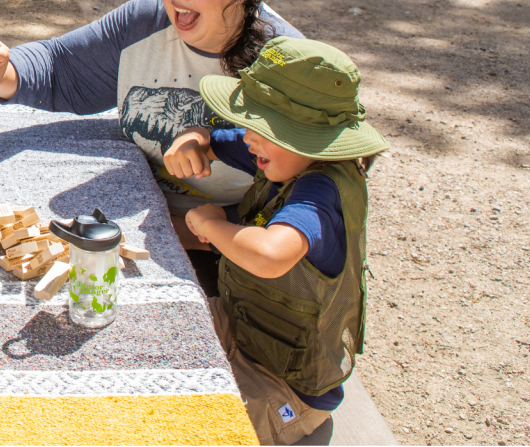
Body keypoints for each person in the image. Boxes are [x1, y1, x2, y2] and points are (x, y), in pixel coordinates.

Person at [0, 0, 302, 251]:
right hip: (130, 218)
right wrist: (3, 73)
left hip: (228, 243)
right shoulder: (146, 20)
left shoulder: (288, 60)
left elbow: (317, 180)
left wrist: (201, 234)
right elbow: (60, 66)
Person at [161, 37, 388, 444]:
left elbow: (270, 255)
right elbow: (213, 139)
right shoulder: (284, 153)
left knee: (183, 429)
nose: (248, 138)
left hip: (286, 386)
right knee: (149, 334)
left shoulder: (322, 192)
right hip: (246, 328)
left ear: (307, 137)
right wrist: (192, 140)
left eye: (261, 129)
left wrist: (209, 223)